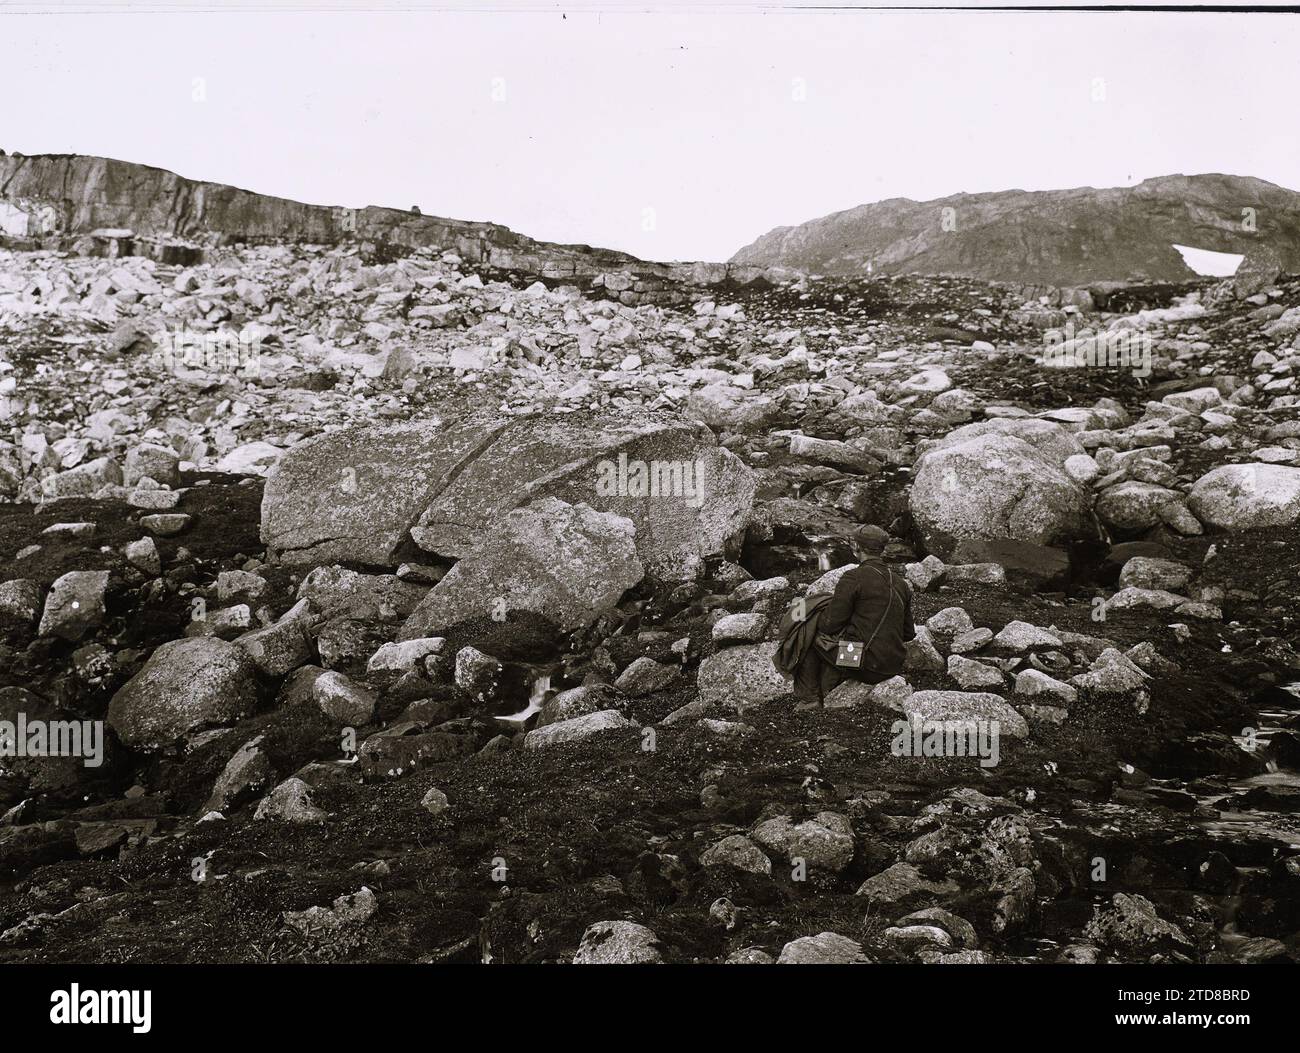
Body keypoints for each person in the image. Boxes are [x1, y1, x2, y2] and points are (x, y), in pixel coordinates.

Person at [792, 525, 915, 706]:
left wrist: (807, 610)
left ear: (857, 547)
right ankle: (828, 688)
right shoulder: (900, 583)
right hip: (892, 665)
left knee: (805, 632)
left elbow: (829, 625)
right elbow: (908, 633)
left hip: (865, 665)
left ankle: (809, 700)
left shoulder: (853, 577)